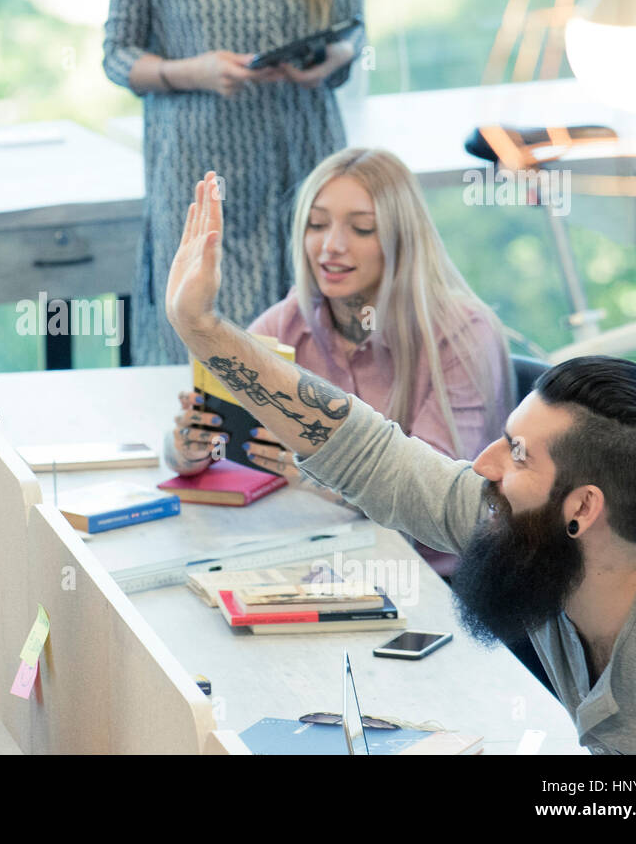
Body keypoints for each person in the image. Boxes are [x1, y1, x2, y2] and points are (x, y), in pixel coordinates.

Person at [164, 172, 636, 754]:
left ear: (582, 507)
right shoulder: (542, 543)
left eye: (519, 455)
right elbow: (371, 453)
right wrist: (201, 328)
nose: (483, 464)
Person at [166, 148, 513, 577]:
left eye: (362, 228)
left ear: (402, 238)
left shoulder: (464, 334)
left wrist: (319, 474)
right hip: (318, 559)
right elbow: (225, 437)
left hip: (437, 581)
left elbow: (433, 503)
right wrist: (192, 448)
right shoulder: (285, 322)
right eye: (316, 224)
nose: (331, 246)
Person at [103, 0, 364, 365]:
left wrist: (329, 58)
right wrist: (192, 72)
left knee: (322, 360)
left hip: (310, 175)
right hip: (203, 183)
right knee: (214, 369)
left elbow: (353, 31)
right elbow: (118, 55)